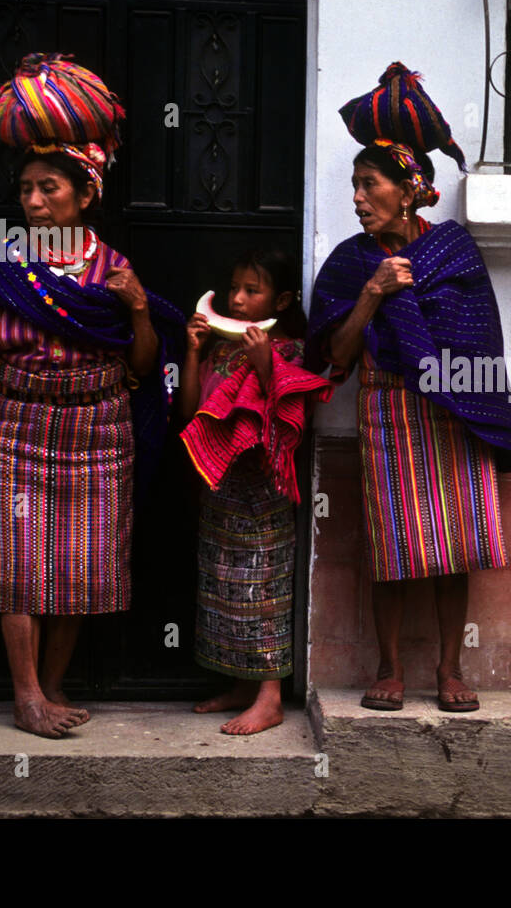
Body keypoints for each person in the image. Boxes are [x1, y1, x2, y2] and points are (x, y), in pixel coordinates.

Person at [0, 54, 182, 738]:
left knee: (82, 561)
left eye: (48, 188)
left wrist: (139, 311)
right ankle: (24, 696)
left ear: (85, 195)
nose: (33, 201)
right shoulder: (0, 267)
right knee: (16, 559)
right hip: (17, 420)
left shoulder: (114, 270)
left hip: (98, 425)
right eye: (25, 189)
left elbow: (142, 363)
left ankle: (52, 688)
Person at [308, 63, 511, 713]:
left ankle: (450, 671)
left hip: (452, 410)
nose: (357, 198)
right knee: (392, 542)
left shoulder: (454, 251)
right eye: (354, 186)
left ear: (409, 190)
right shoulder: (352, 263)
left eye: (369, 185)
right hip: (386, 408)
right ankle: (389, 667)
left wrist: (471, 400)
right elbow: (333, 360)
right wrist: (373, 297)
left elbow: (479, 338)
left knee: (453, 544)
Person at [179, 249, 332, 734]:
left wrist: (266, 367)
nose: (238, 299)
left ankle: (269, 697)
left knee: (262, 592)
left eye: (253, 290)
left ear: (282, 299)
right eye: (234, 289)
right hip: (220, 488)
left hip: (264, 493)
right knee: (223, 590)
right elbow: (188, 413)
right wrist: (193, 352)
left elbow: (290, 421)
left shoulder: (291, 352)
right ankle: (243, 684)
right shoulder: (222, 350)